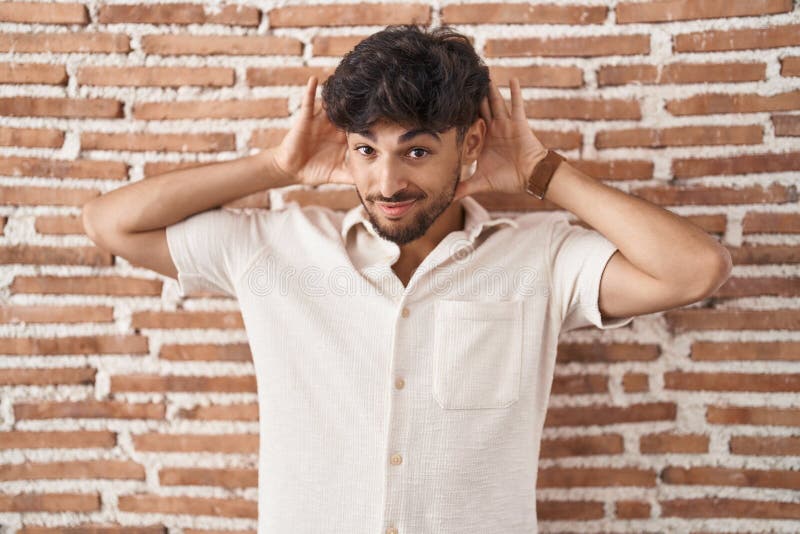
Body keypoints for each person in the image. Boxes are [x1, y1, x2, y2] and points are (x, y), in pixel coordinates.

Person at [82, 24, 732, 534]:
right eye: (367, 150)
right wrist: (278, 166)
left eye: (416, 151)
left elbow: (695, 269)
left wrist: (542, 173)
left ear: (470, 142)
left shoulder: (540, 259)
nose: (387, 183)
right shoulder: (275, 248)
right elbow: (112, 224)